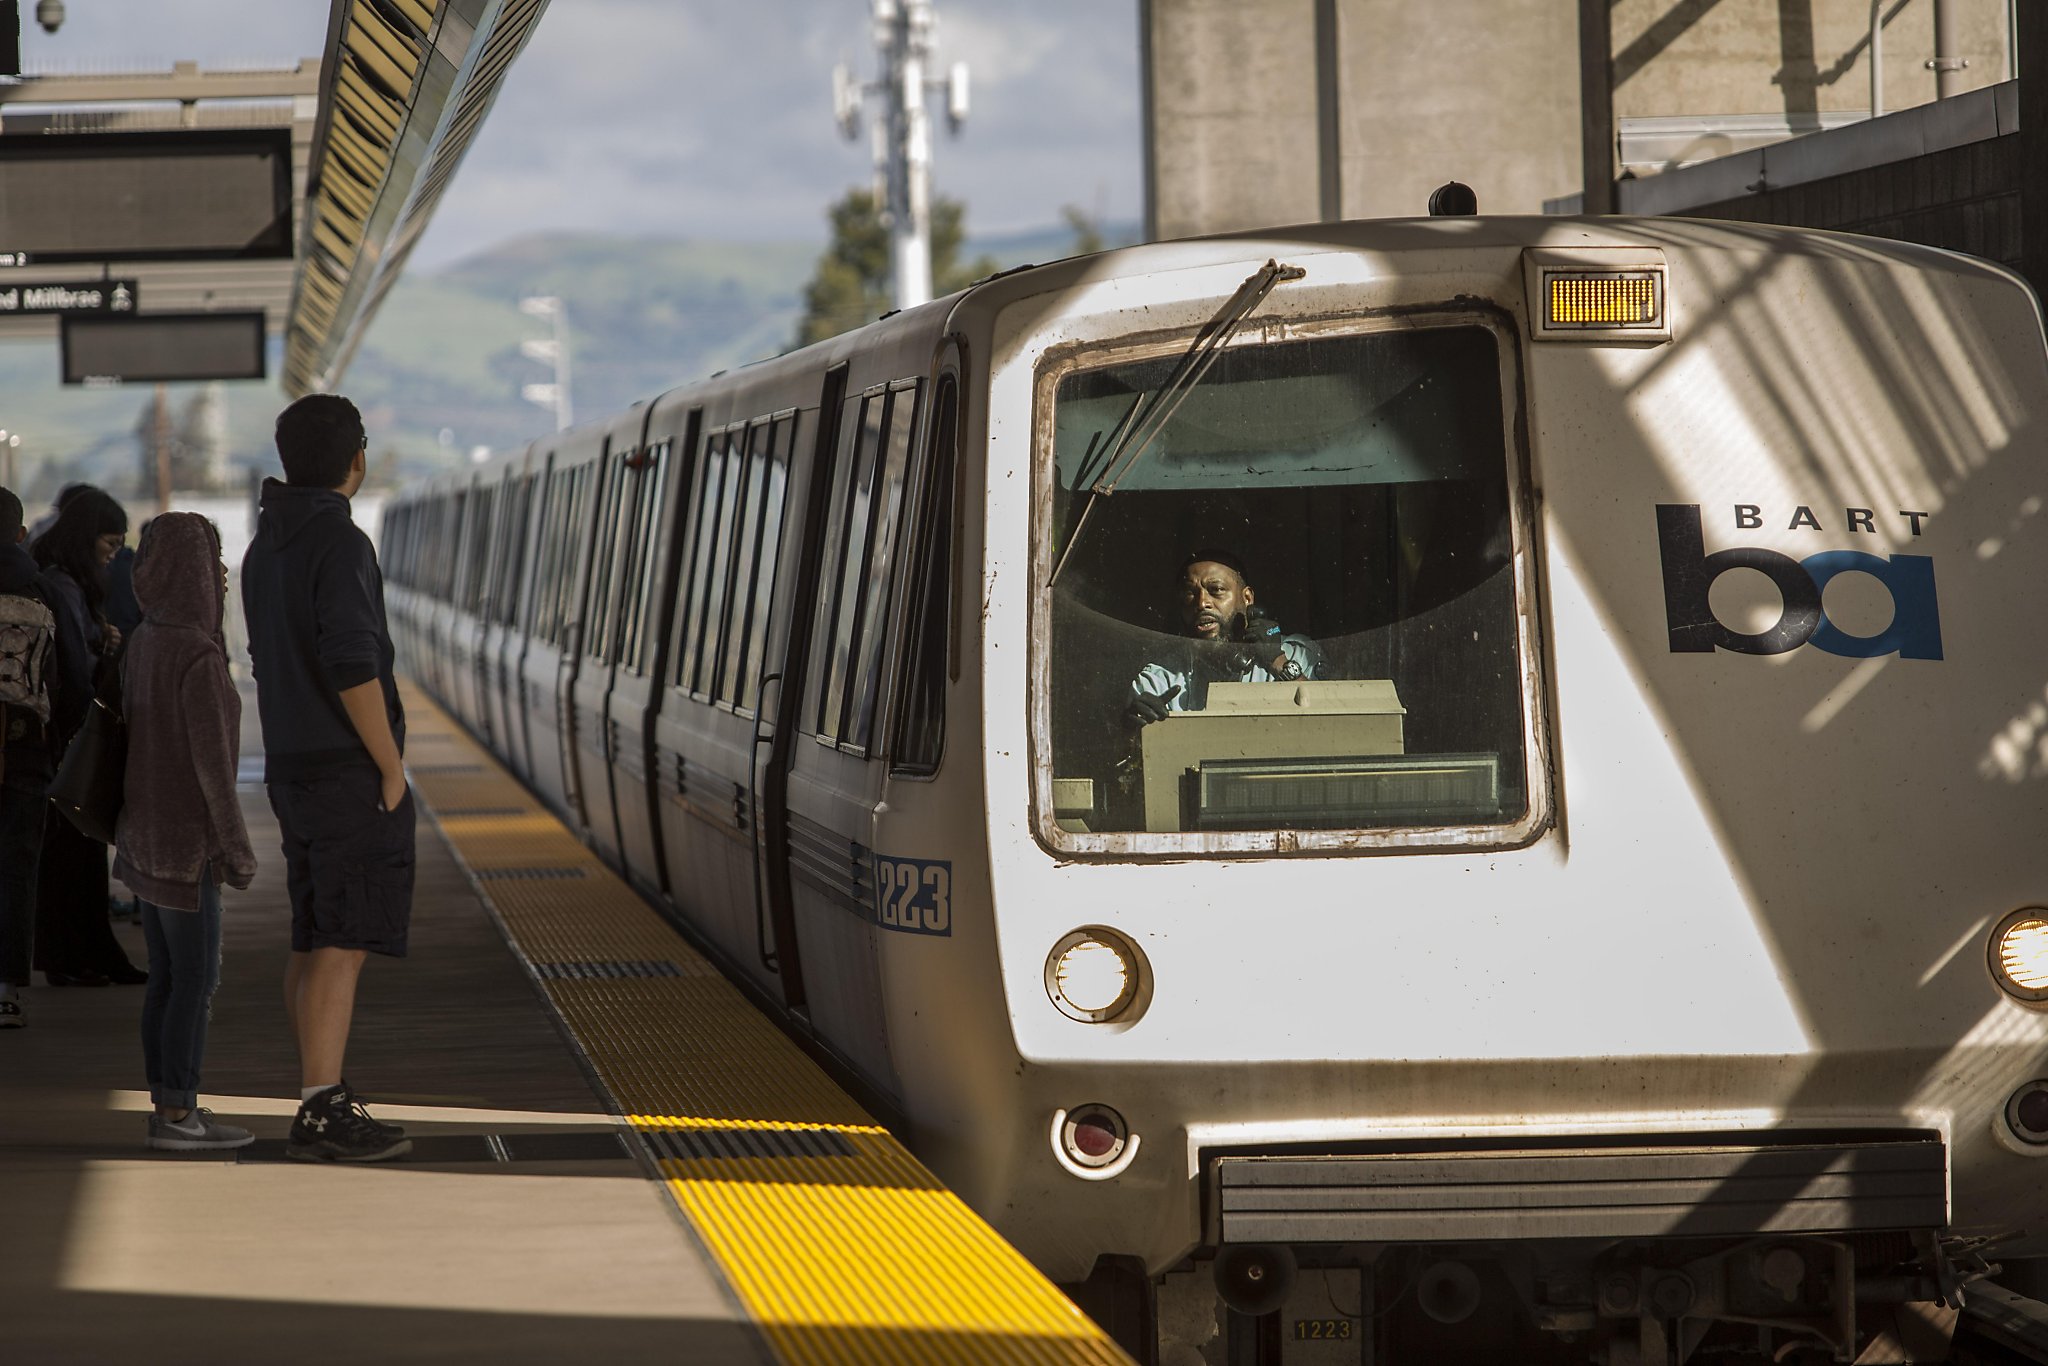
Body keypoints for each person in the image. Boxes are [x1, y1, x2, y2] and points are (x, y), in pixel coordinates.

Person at [244, 393, 412, 1163]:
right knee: (343, 942)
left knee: (314, 939)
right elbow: (354, 663)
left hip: (293, 766)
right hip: (344, 771)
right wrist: (390, 766)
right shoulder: (338, 542)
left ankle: (318, 1092)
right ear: (357, 461)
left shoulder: (265, 544)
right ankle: (322, 1105)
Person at [115, 513, 257, 1150]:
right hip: (186, 847)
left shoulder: (143, 640)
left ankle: (166, 1103)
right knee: (195, 980)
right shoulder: (196, 654)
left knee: (168, 978)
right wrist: (236, 849)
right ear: (192, 569)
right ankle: (179, 1115)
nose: (222, 574)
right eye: (213, 559)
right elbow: (213, 773)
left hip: (145, 840)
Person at [31, 487, 145, 987]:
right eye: (109, 542)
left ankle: (78, 954)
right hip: (69, 736)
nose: (113, 553)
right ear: (87, 538)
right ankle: (80, 954)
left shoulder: (61, 582)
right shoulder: (64, 586)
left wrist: (102, 637)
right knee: (75, 854)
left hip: (60, 736)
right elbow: (75, 672)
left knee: (74, 853)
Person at [1125, 549, 1323, 724]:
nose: (1202, 603)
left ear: (1247, 598)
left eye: (1216, 590)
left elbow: (1330, 725)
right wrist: (1134, 732)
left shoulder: (1295, 654)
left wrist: (1278, 662)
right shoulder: (1161, 678)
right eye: (1190, 594)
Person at [0, 487, 56, 1027]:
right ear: (19, 534)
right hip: (24, 748)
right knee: (16, 868)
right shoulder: (39, 589)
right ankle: (6, 989)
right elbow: (67, 679)